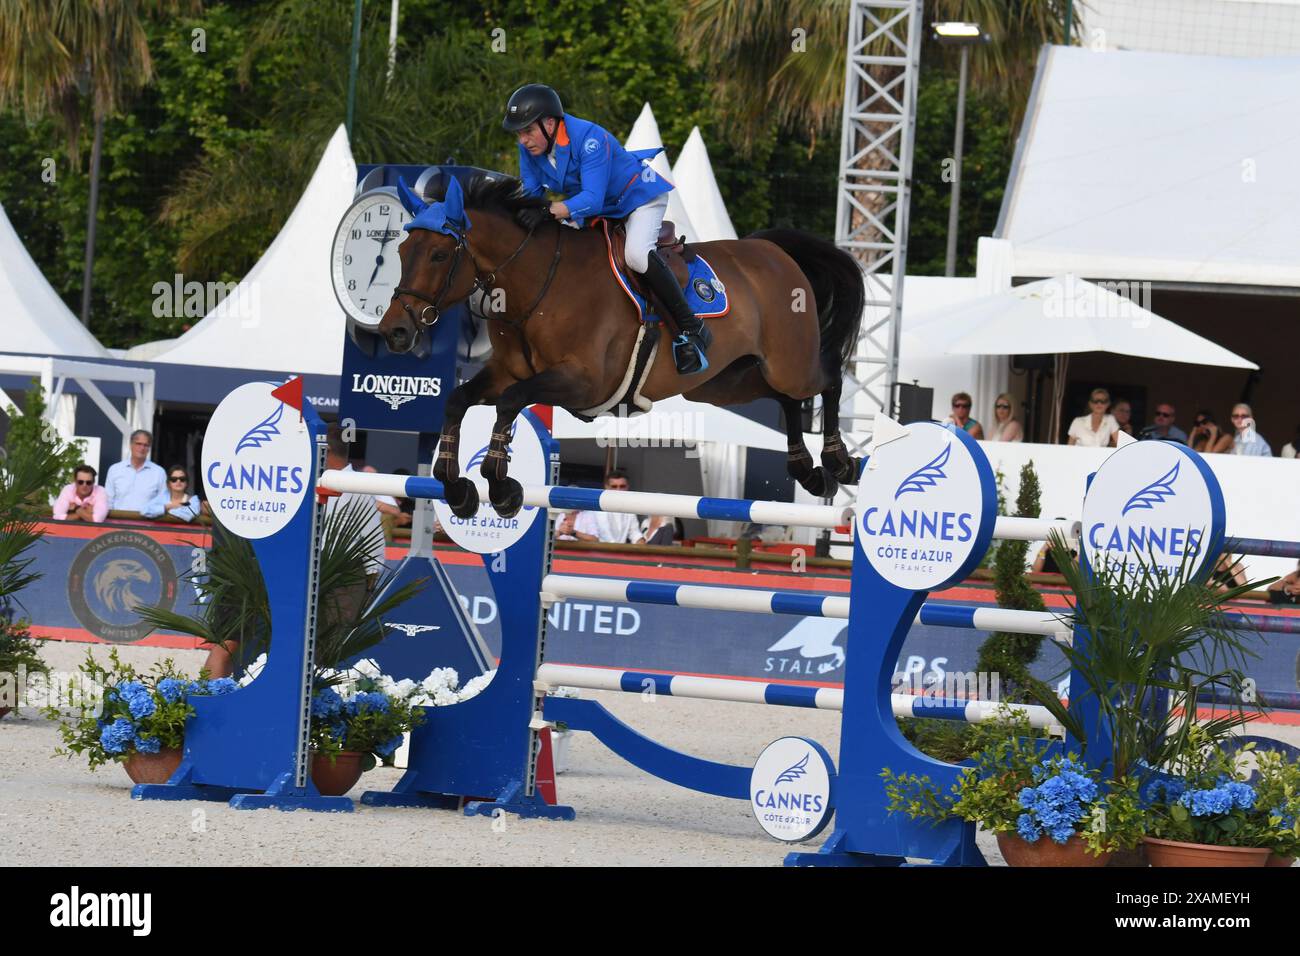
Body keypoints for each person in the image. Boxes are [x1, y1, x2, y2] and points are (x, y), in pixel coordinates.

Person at [503, 83, 711, 375]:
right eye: (519, 133)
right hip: (601, 209)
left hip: (638, 199)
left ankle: (692, 327)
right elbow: (532, 195)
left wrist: (549, 211)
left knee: (637, 256)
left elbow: (591, 198)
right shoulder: (530, 148)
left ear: (549, 123)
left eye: (527, 131)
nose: (523, 139)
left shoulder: (590, 139)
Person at [572, 469, 647, 544]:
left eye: (622, 486)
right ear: (606, 487)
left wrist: (643, 546)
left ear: (627, 487)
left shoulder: (630, 510)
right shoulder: (595, 507)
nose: (618, 490)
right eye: (614, 486)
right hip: (595, 552)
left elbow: (635, 534)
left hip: (619, 552)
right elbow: (588, 535)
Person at [104, 429, 167, 513]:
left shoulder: (159, 473)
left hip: (147, 524)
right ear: (130, 445)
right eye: (138, 444)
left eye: (146, 445)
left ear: (149, 448)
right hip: (118, 523)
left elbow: (163, 502)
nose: (142, 448)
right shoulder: (115, 470)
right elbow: (108, 501)